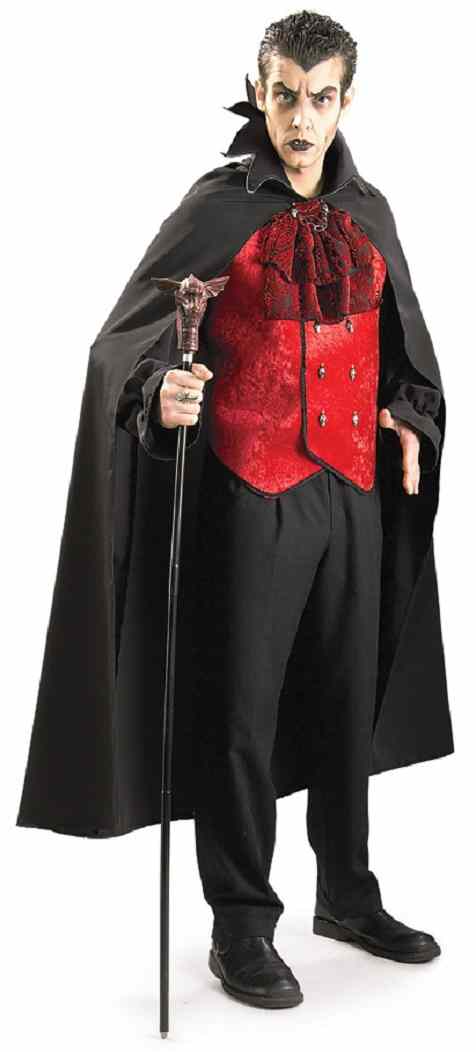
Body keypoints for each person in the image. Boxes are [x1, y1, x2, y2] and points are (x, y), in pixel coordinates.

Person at [16, 10, 454, 1012]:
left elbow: (402, 350)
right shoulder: (216, 206)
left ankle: (346, 893)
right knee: (240, 715)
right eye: (284, 94)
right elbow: (123, 343)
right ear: (259, 92)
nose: (300, 118)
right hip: (251, 491)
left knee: (347, 698)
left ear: (346, 102)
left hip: (350, 492)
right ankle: (242, 924)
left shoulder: (370, 210)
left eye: (320, 97)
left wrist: (406, 415)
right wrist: (159, 389)